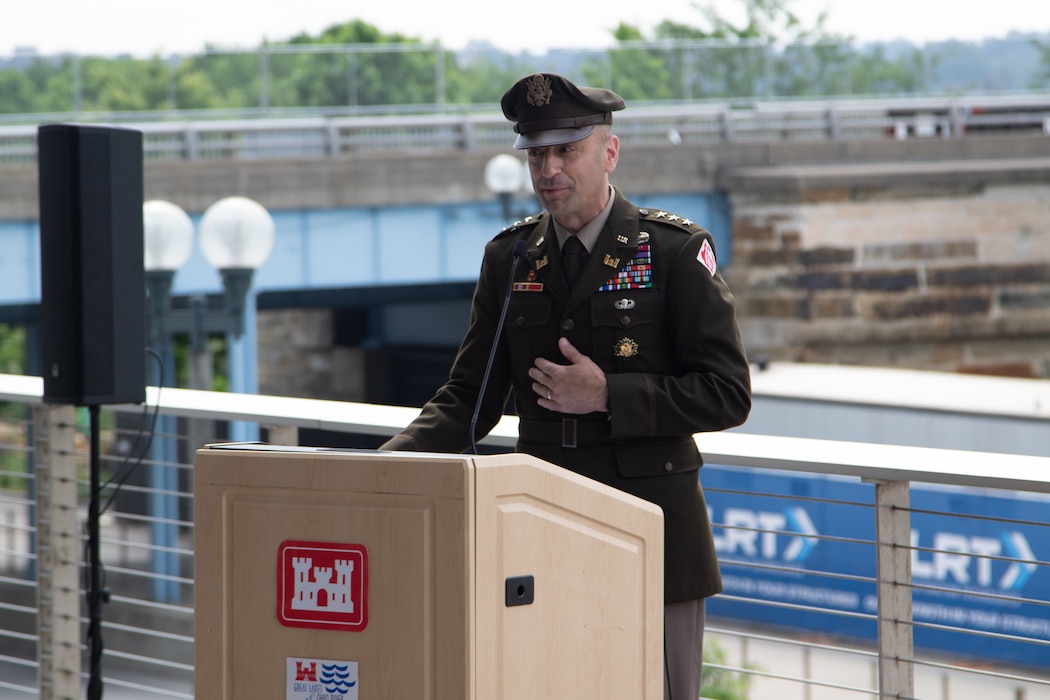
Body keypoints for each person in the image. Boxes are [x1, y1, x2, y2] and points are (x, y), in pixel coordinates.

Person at [380, 72, 752, 700]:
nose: (548, 168)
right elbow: (471, 396)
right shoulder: (512, 256)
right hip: (544, 534)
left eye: (566, 150)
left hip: (652, 538)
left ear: (608, 152)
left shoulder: (673, 252)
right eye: (536, 153)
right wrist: (386, 465)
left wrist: (609, 394)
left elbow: (727, 392)